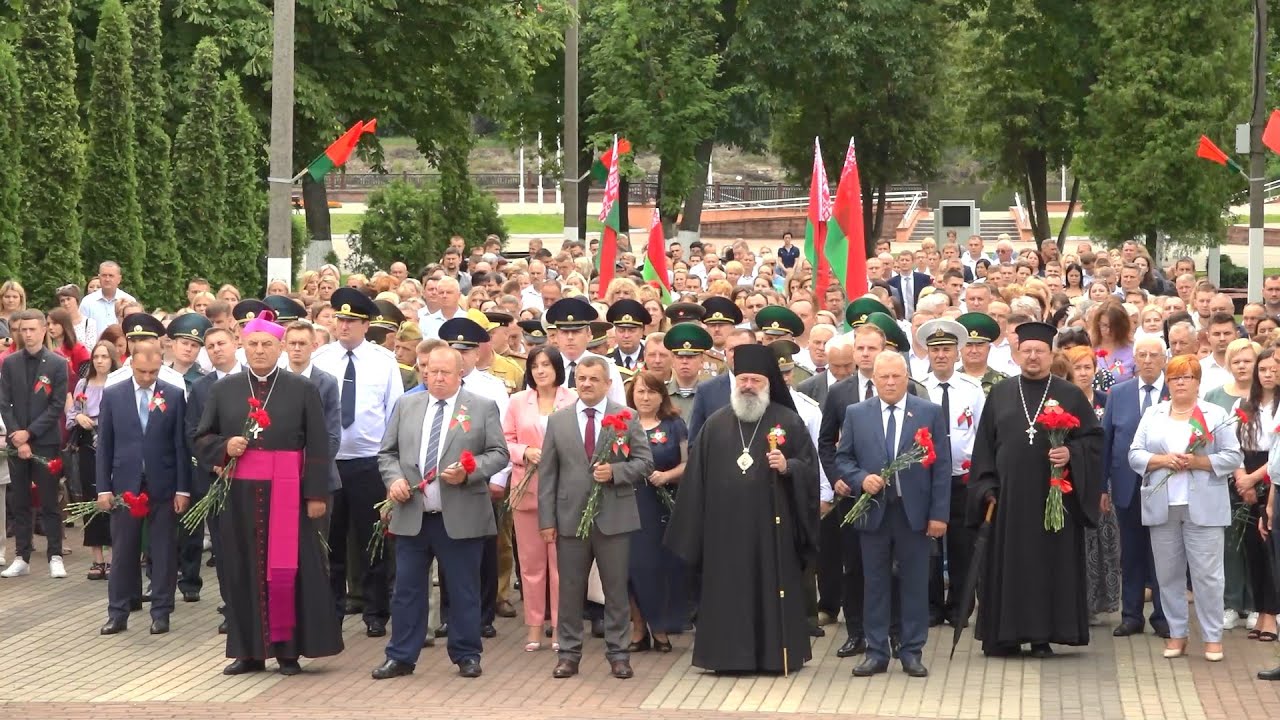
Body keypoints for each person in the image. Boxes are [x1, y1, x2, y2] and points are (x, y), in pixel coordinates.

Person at [193, 313, 342, 676]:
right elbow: (200, 439)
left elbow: (319, 445)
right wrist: (226, 445)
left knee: (288, 571)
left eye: (267, 345)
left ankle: (288, 651)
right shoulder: (223, 389)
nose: (260, 350)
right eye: (253, 344)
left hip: (288, 494)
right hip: (239, 497)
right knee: (241, 570)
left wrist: (316, 494)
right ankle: (249, 653)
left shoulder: (301, 388)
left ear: (279, 348)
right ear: (242, 345)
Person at [665, 344, 819, 674]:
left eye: (756, 380)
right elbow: (695, 481)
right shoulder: (716, 425)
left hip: (771, 533)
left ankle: (773, 657)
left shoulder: (788, 422)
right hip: (723, 534)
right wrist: (694, 532)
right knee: (727, 593)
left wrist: (789, 466)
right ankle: (726, 657)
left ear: (769, 383)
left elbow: (809, 469)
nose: (748, 385)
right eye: (743, 379)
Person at [371, 344, 509, 680]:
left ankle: (466, 654)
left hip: (460, 514)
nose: (437, 377)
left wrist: (470, 470)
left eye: (444, 372)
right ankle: (401, 655)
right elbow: (387, 453)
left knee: (463, 588)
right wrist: (395, 480)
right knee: (406, 589)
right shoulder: (407, 405)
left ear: (460, 372)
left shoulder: (481, 407)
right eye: (430, 371)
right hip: (413, 514)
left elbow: (499, 454)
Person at [967, 321, 1104, 657]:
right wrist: (987, 487)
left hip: (1053, 498)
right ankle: (1007, 636)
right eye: (1026, 351)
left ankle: (1043, 635)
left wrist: (1071, 452)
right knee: (1010, 567)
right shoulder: (1000, 393)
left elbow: (1094, 440)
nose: (1032, 357)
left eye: (1039, 351)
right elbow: (984, 445)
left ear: (1050, 354)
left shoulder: (1069, 394)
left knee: (1047, 566)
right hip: (1010, 502)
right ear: (1017, 355)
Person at [834, 351, 950, 678]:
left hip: (913, 514)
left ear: (906, 378)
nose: (889, 382)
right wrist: (860, 480)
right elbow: (843, 459)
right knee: (875, 584)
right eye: (883, 377)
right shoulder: (857, 414)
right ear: (874, 379)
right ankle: (876, 652)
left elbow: (940, 468)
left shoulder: (928, 412)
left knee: (915, 584)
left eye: (896, 376)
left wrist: (938, 515)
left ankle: (912, 651)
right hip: (873, 513)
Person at [538, 356, 654, 680]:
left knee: (615, 590)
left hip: (614, 517)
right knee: (570, 589)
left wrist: (615, 471)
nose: (586, 384)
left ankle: (618, 654)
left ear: (606, 383)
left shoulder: (626, 417)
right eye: (581, 378)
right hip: (570, 517)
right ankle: (569, 655)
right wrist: (547, 521)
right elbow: (547, 475)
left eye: (593, 379)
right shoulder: (558, 421)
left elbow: (645, 463)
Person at [1128, 354, 1241, 662]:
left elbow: (1233, 457)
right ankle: (1178, 635)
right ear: (1168, 381)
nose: (1180, 382)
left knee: (1208, 576)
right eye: (1175, 377)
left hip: (1203, 505)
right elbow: (1135, 455)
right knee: (1168, 575)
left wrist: (1199, 462)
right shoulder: (1154, 414)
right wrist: (1164, 460)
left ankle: (1212, 637)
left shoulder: (1215, 414)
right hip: (1162, 505)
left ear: (1197, 382)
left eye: (1187, 377)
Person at [312, 288, 404, 637]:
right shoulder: (321, 360)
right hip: (331, 462)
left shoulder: (383, 361)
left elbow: (394, 412)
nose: (344, 326)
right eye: (339, 319)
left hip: (369, 462)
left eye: (351, 321)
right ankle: (331, 611)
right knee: (331, 541)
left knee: (373, 541)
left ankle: (375, 611)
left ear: (367, 325)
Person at [95, 340, 190, 636]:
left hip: (163, 483)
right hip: (125, 485)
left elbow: (181, 446)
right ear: (130, 364)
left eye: (153, 371)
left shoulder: (173, 395)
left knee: (162, 551)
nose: (147, 377)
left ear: (161, 365)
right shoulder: (114, 395)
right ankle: (118, 611)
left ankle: (161, 612)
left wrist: (183, 489)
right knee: (123, 551)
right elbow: (105, 446)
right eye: (141, 371)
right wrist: (103, 488)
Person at [504, 346, 576, 651]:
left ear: (557, 368)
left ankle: (561, 627)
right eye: (535, 366)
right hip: (527, 487)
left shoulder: (571, 399)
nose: (540, 371)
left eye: (546, 365)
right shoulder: (518, 401)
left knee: (561, 565)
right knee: (531, 565)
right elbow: (504, 440)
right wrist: (524, 452)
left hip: (564, 491)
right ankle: (534, 626)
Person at [916, 318, 985, 628]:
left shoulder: (972, 389)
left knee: (961, 546)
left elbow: (982, 433)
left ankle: (959, 607)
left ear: (958, 353)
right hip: (926, 478)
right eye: (935, 350)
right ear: (927, 354)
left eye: (946, 349)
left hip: (962, 479)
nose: (941, 355)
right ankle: (930, 606)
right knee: (928, 546)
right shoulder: (917, 388)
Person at [1102, 336, 1171, 639]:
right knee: (1130, 554)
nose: (1146, 360)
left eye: (1153, 355)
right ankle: (1131, 615)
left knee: (1164, 555)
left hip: (1167, 486)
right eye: (1141, 355)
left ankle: (1164, 616)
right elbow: (1107, 442)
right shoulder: (1118, 394)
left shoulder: (1175, 392)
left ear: (1163, 359)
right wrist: (1101, 488)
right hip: (1126, 485)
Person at [0, 310, 70, 578]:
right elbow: (4, 402)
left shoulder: (56, 363)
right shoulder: (10, 363)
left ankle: (55, 554)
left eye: (32, 329)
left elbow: (56, 407)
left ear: (43, 330)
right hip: (16, 441)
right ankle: (22, 556)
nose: (27, 334)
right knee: (19, 501)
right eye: (23, 330)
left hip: (45, 442)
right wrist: (17, 434)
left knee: (49, 500)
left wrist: (29, 434)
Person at [626, 371, 688, 653]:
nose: (645, 397)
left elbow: (688, 463)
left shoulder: (674, 425)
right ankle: (638, 628)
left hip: (664, 504)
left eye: (651, 391)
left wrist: (667, 476)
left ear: (661, 395)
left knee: (659, 568)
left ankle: (660, 628)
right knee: (633, 568)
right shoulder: (622, 424)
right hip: (630, 504)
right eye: (640, 392)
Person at [185, 326, 241, 630]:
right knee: (223, 545)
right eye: (210, 346)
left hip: (255, 475)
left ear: (235, 343)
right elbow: (193, 432)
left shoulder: (255, 379)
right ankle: (231, 608)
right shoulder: (201, 388)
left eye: (221, 343)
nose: (216, 349)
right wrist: (216, 461)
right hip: (218, 478)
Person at [1202, 337, 1261, 629]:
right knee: (1229, 543)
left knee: (1256, 540)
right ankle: (1230, 602)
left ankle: (1255, 603)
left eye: (1247, 360)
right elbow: (1205, 434)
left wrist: (1249, 477)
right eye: (1236, 360)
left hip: (1258, 476)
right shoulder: (1213, 395)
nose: (1241, 365)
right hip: (1224, 477)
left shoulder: (1267, 395)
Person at [1061, 344, 1121, 622]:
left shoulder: (1106, 400)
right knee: (1079, 543)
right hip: (1072, 479)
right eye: (1078, 367)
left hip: (1101, 479)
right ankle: (1075, 602)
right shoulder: (1063, 401)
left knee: (1103, 543)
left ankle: (1098, 602)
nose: (1083, 373)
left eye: (1088, 367)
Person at [1235, 346, 1280, 644]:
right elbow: (1232, 444)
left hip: (1270, 476)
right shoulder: (1244, 405)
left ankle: (1271, 615)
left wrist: (1255, 477)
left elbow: (1276, 455)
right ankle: (1259, 610)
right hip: (1245, 477)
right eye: (1262, 370)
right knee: (1251, 547)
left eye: (1273, 369)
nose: (1268, 374)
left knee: (1270, 550)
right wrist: (1242, 478)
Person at [68, 341, 118, 580]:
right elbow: (72, 412)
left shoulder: (118, 383)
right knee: (91, 496)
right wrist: (78, 416)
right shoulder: (83, 383)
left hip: (112, 443)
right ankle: (97, 558)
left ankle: (113, 557)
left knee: (112, 496)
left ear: (112, 359)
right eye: (96, 356)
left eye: (104, 357)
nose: (99, 361)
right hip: (89, 444)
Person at [81, 262, 136, 334]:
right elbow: (82, 330)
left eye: (111, 276)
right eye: (104, 275)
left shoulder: (129, 301)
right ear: (99, 277)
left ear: (119, 279)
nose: (107, 279)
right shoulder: (87, 302)